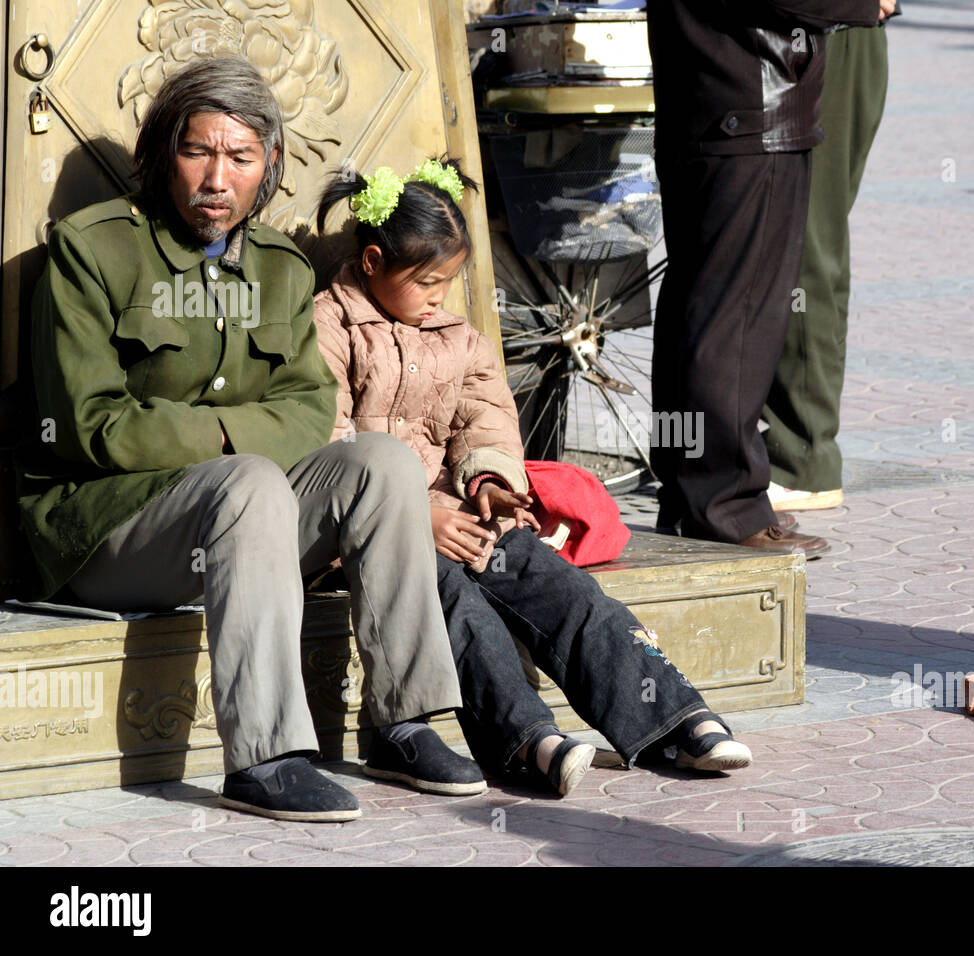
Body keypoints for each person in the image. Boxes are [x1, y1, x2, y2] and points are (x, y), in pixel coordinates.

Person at [15, 55, 481, 822]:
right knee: (250, 479)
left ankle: (404, 719)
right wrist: (233, 440)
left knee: (383, 464)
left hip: (243, 519)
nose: (216, 178)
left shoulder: (280, 267)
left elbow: (307, 405)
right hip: (108, 529)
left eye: (240, 156)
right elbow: (88, 422)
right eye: (198, 151)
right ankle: (265, 756)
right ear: (166, 152)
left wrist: (237, 446)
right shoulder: (94, 251)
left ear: (267, 165)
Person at [311, 159, 753, 796]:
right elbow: (328, 438)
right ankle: (525, 740)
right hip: (372, 531)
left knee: (561, 588)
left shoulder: (457, 337)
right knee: (455, 601)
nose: (440, 297)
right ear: (375, 263)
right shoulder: (328, 328)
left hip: (458, 513)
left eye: (449, 282)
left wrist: (488, 484)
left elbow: (485, 421)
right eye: (428, 282)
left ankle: (678, 717)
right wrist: (416, 518)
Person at [646, 0, 894, 557]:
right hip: (749, 109)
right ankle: (726, 508)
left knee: (700, 308)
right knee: (736, 318)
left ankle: (691, 498)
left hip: (718, 106)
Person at [762, 21, 889, 513]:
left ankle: (804, 458)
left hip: (824, 28)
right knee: (794, 235)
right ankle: (783, 448)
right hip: (797, 26)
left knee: (806, 238)